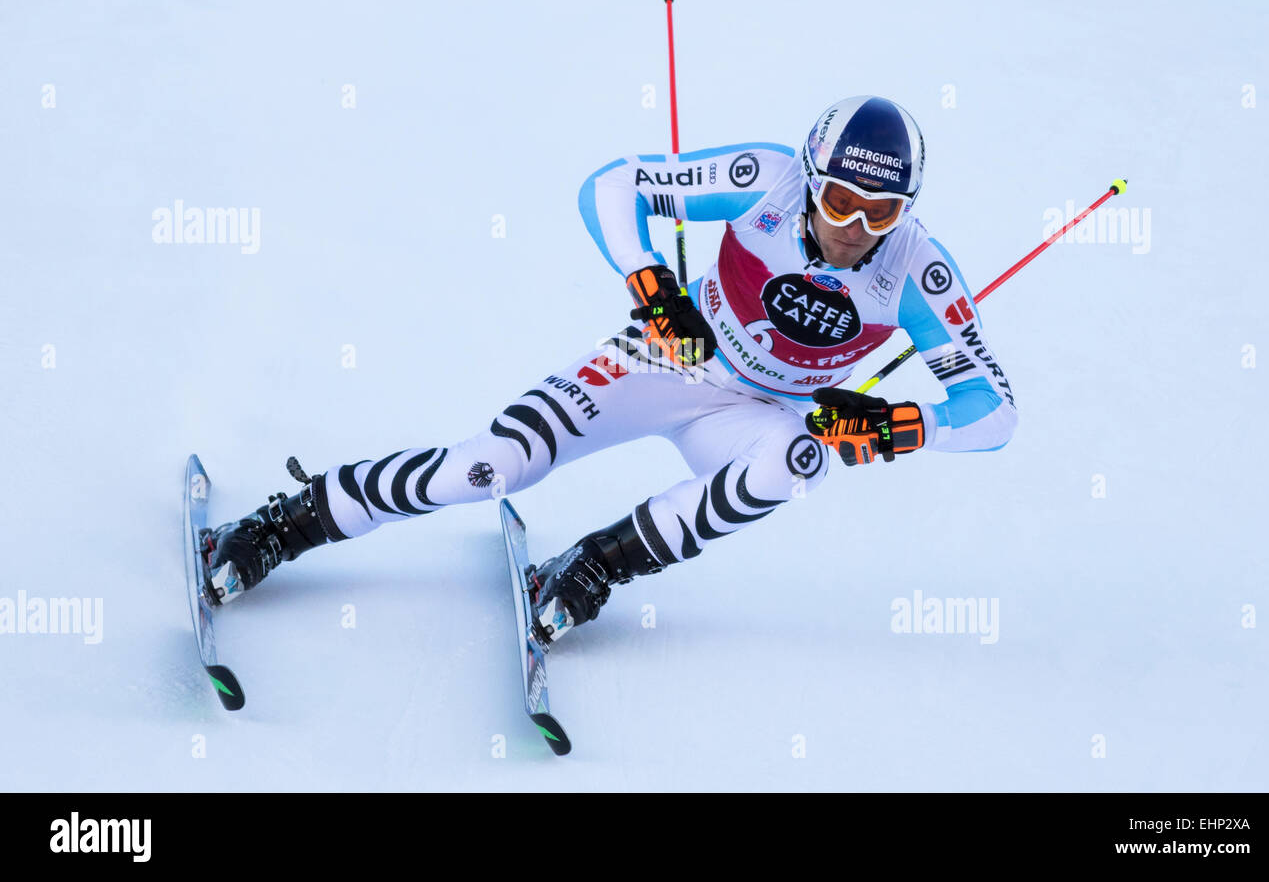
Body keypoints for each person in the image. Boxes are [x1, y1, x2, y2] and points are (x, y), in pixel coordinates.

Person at [200, 95, 1017, 645]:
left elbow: (993, 409)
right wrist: (654, 286)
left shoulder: (916, 271)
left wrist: (901, 425)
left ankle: (594, 566)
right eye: (840, 201)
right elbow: (614, 186)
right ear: (810, 176)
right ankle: (289, 522)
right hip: (669, 356)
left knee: (803, 462)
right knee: (488, 468)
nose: (855, 228)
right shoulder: (763, 178)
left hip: (761, 416)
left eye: (882, 211)